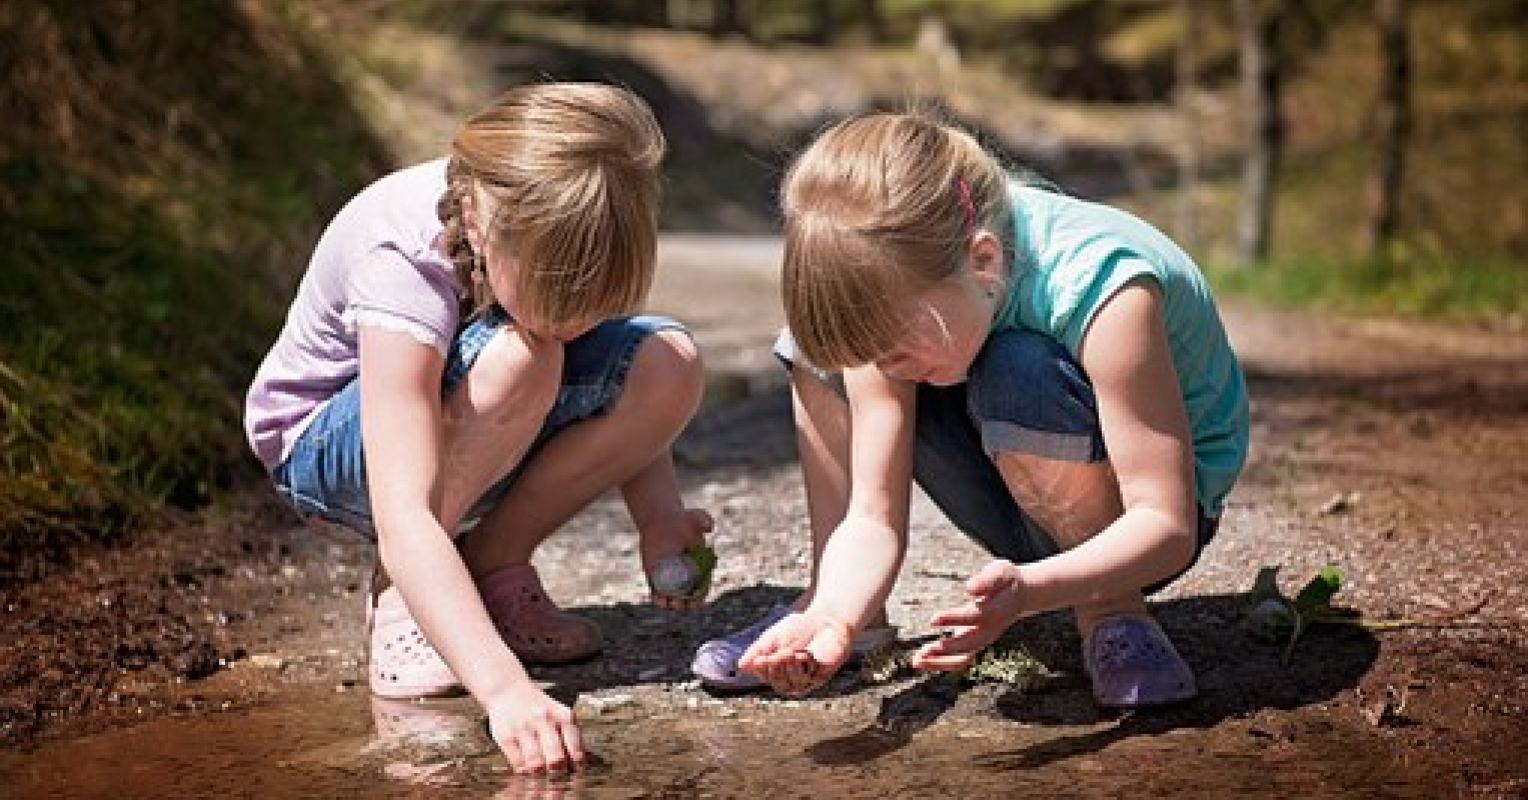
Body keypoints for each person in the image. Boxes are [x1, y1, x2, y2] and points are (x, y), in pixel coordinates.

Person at [693, 111, 1248, 707]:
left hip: (1140, 528)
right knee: (818, 347)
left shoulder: (1102, 285)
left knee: (1017, 368)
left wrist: (1031, 591)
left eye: (900, 350)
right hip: (1018, 499)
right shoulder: (918, 299)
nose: (891, 369)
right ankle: (838, 600)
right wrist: (834, 615)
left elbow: (1166, 527)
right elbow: (873, 516)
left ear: (983, 260)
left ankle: (1110, 611)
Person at [244, 83, 714, 774]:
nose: (579, 324)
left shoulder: (543, 228)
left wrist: (660, 515)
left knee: (664, 363)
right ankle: (402, 595)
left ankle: (493, 563)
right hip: (328, 452)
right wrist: (506, 691)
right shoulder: (403, 260)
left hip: (472, 416)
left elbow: (612, 373)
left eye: (597, 307)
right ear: (475, 217)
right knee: (525, 355)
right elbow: (403, 510)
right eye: (563, 301)